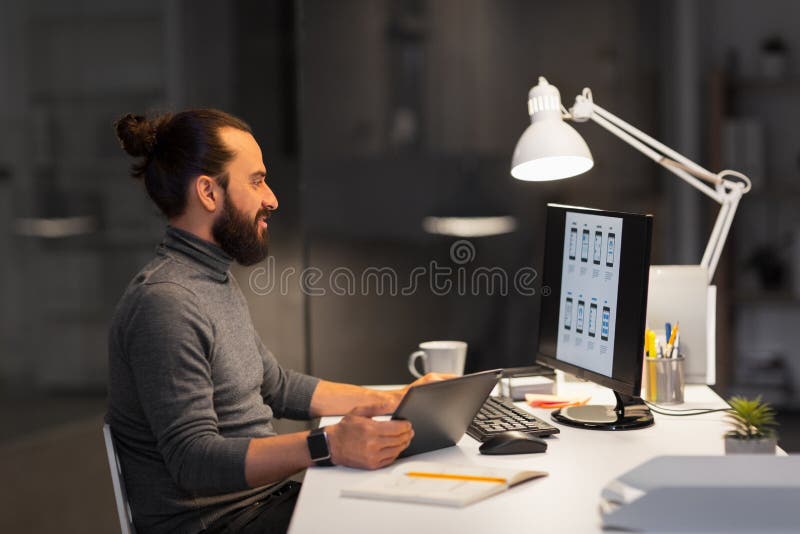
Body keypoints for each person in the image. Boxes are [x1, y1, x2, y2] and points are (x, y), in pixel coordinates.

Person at [106, 109, 444, 534]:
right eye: (256, 180)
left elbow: (276, 386)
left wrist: (392, 400)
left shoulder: (211, 280)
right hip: (222, 522)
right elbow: (193, 460)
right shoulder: (166, 302)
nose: (272, 198)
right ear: (209, 192)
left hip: (262, 503)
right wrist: (327, 445)